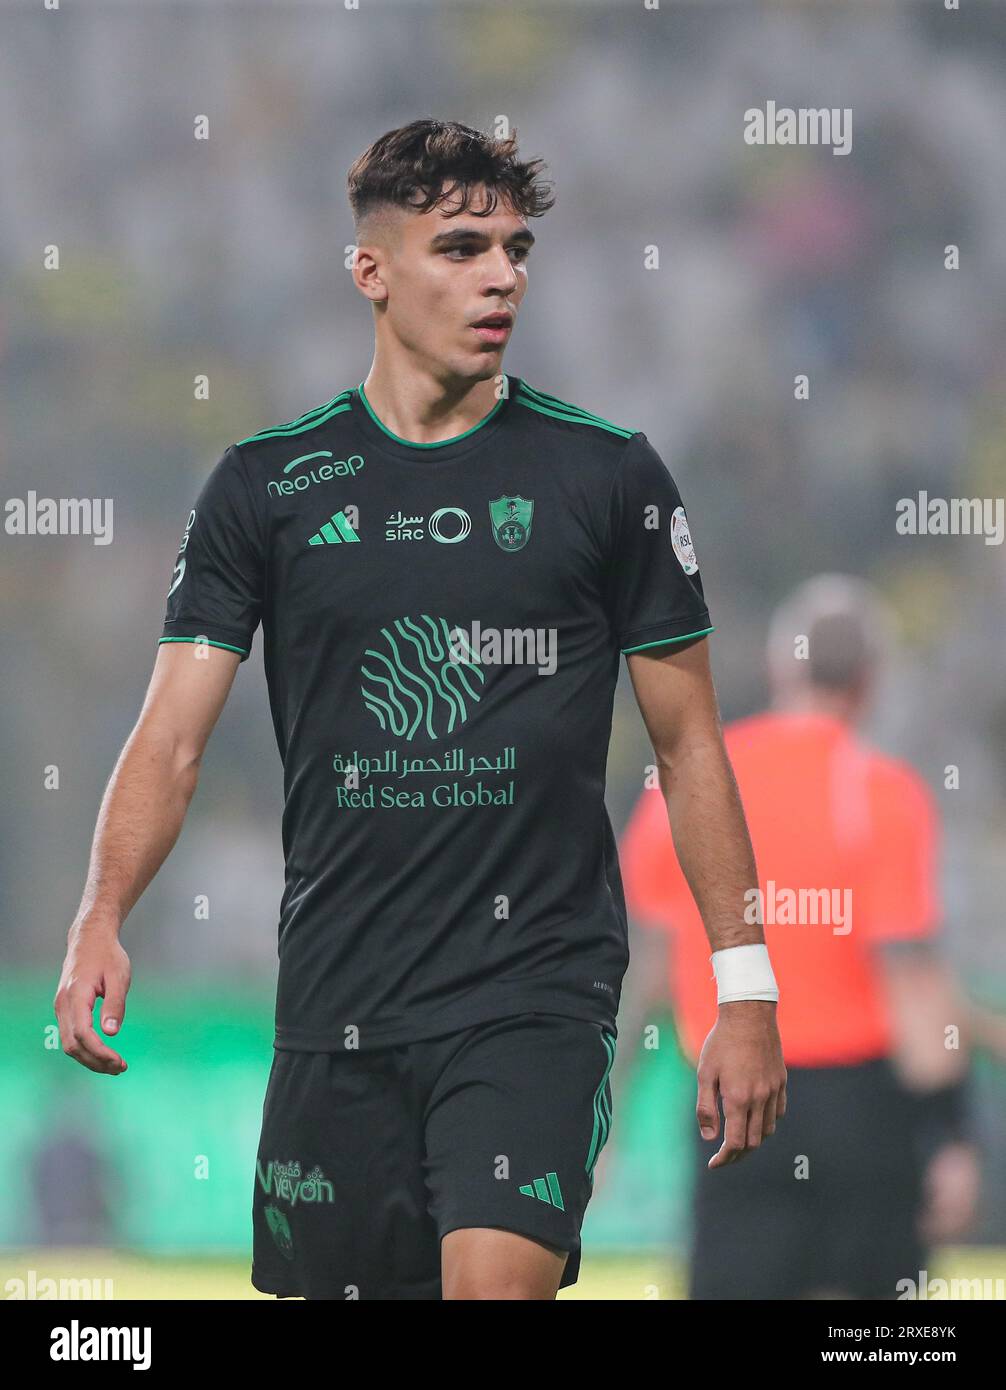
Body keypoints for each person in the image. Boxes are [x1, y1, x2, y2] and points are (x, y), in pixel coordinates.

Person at [54, 118, 784, 1301]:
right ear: (372, 272)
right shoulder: (267, 486)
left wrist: (744, 989)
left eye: (514, 248)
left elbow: (689, 743)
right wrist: (102, 913)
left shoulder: (608, 478)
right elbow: (173, 738)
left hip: (533, 994)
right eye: (459, 247)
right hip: (337, 1003)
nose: (502, 276)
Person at [620, 574, 977, 1299]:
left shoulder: (694, 785)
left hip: (732, 1095)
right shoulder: (880, 790)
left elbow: (648, 971)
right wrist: (948, 1136)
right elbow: (913, 988)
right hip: (859, 1104)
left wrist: (610, 1102)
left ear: (783, 666)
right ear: (870, 681)